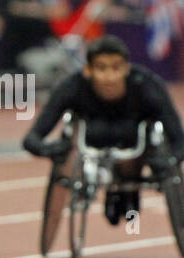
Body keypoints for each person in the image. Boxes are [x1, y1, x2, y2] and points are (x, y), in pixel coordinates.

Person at [22, 35, 184, 225]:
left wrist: (170, 160)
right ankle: (116, 192)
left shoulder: (147, 85)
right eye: (101, 68)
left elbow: (179, 139)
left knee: (143, 151)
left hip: (136, 144)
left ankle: (129, 189)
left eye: (116, 68)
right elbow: (31, 139)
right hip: (93, 138)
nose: (109, 77)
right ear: (88, 70)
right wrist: (50, 150)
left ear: (126, 68)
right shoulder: (71, 87)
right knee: (113, 216)